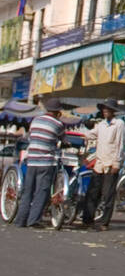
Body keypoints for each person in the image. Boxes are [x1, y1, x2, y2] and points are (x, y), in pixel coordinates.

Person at [15, 96, 66, 228]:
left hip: (32, 161)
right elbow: (63, 139)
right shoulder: (58, 124)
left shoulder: (35, 120)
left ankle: (20, 220)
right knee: (41, 192)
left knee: (28, 191)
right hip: (46, 162)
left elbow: (30, 136)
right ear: (58, 112)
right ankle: (33, 221)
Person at [80, 99, 125, 230]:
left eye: (108, 109)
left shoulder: (119, 124)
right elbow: (90, 135)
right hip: (99, 163)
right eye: (104, 109)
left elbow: (120, 144)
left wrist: (117, 163)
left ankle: (104, 222)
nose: (105, 111)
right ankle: (87, 219)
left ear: (113, 111)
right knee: (93, 192)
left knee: (108, 195)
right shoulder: (101, 124)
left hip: (111, 163)